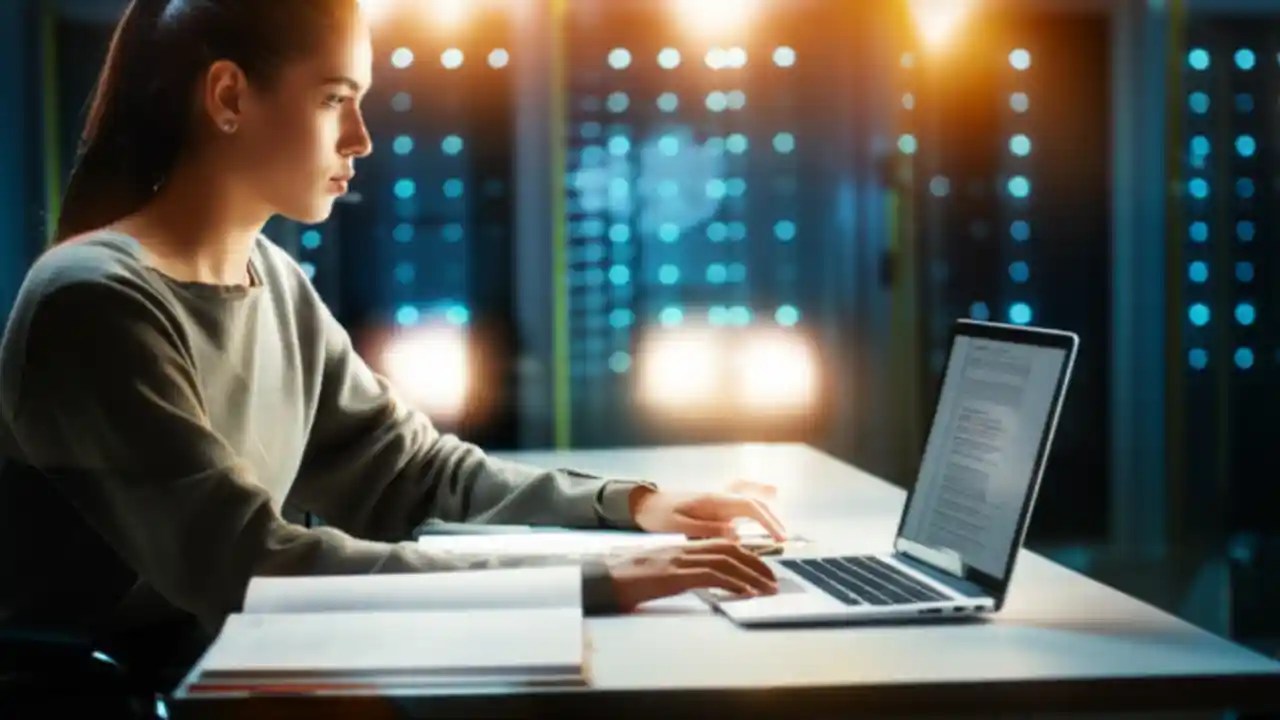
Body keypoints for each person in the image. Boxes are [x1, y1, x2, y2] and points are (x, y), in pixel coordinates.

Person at [0, 0, 784, 693]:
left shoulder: (269, 277)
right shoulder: (94, 301)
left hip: (226, 671)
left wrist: (634, 507)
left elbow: (412, 472)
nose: (363, 138)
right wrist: (597, 577)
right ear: (230, 96)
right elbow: (256, 566)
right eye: (335, 98)